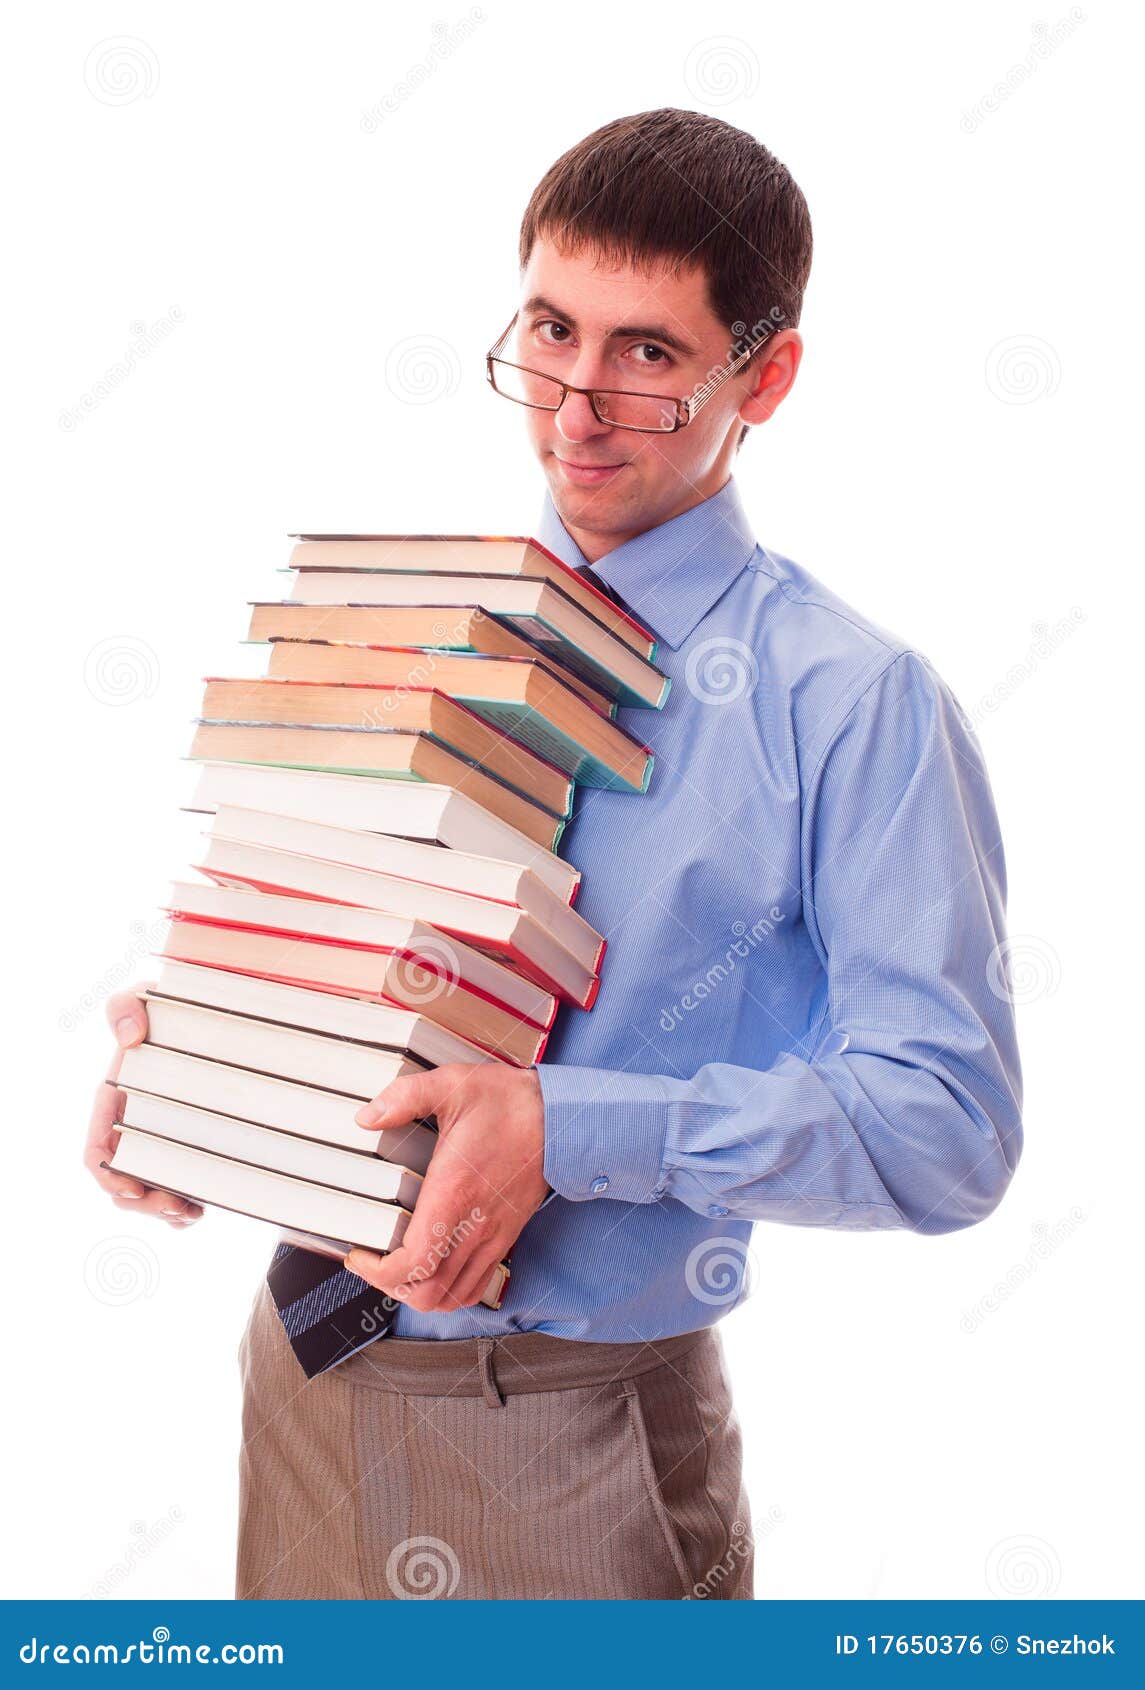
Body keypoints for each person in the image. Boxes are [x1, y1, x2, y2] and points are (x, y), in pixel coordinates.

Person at [83, 108, 1023, 1601]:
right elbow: (352, 964)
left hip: (569, 1432)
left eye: (647, 354)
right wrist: (201, 1065)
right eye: (548, 330)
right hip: (306, 1371)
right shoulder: (411, 621)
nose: (575, 406)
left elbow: (944, 1128)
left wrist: (570, 1126)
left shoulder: (850, 702)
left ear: (760, 376)